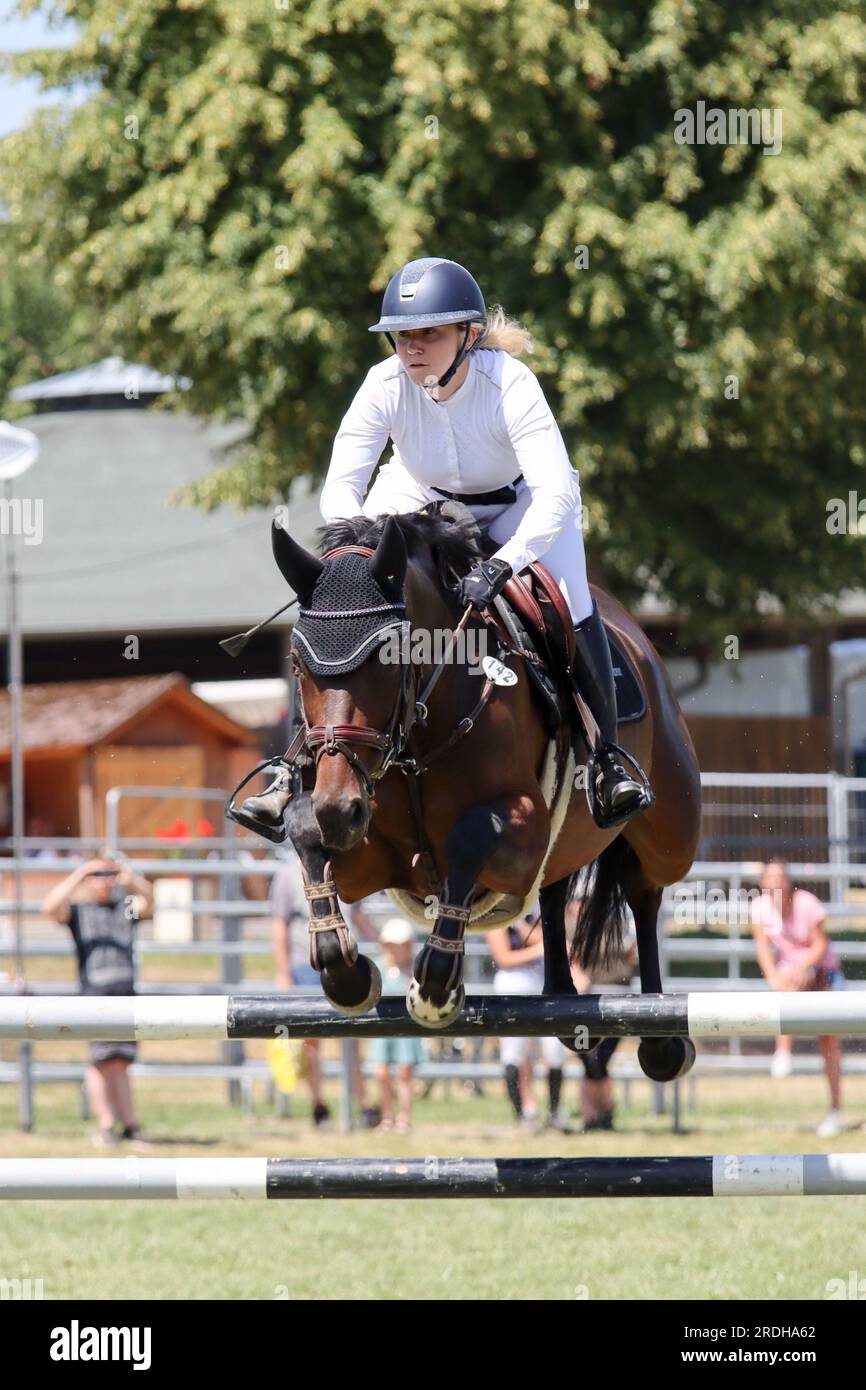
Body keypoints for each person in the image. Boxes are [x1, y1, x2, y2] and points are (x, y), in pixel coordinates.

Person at [244, 257, 650, 837]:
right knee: (340, 606)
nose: (412, 348)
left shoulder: (511, 383)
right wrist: (359, 559)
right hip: (418, 499)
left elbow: (556, 496)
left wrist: (504, 563)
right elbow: (340, 490)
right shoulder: (383, 385)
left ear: (469, 335)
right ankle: (291, 769)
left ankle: (607, 760)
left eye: (429, 334)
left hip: (519, 505)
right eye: (403, 335)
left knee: (570, 600)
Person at [41, 849, 153, 1146]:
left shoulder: (125, 907)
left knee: (121, 1062)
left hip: (125, 994)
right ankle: (106, 1125)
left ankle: (130, 1125)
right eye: (98, 876)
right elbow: (49, 907)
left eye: (108, 876)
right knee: (100, 1061)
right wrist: (80, 873)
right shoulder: (78, 912)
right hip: (95, 995)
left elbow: (149, 902)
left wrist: (130, 879)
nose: (103, 882)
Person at [270, 849, 380, 1127]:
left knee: (351, 1038)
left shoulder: (344, 870)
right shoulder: (287, 875)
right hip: (306, 966)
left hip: (344, 966)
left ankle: (363, 1104)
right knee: (311, 1042)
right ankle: (318, 1105)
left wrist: (383, 943)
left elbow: (359, 918)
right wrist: (284, 974)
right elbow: (279, 926)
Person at [749, 858, 845, 1138]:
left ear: (788, 882)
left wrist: (804, 967)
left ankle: (835, 1109)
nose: (776, 883)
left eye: (781, 878)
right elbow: (763, 949)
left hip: (823, 971)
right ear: (763, 883)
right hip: (791, 974)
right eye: (771, 878)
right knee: (787, 986)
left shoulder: (806, 903)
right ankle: (783, 1051)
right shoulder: (759, 908)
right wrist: (775, 978)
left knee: (830, 1044)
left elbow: (820, 945)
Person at [486, 910, 572, 1132]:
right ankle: (522, 1113)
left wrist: (527, 931)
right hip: (512, 987)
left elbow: (560, 946)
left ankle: (554, 1111)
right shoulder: (498, 915)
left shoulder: (534, 917)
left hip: (542, 985)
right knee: (513, 1053)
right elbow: (503, 958)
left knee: (555, 1051)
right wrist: (537, 949)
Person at [567, 895, 638, 1132]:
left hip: (615, 997)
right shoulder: (570, 926)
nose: (582, 906)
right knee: (591, 1061)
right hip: (586, 1001)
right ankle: (600, 1113)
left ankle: (597, 1115)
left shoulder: (618, 923)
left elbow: (630, 953)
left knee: (601, 1059)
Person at [368, 918, 426, 1132]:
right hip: (382, 1026)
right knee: (380, 1073)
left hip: (406, 1027)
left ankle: (403, 1118)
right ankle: (387, 1116)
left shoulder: (415, 968)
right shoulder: (379, 968)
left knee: (404, 1074)